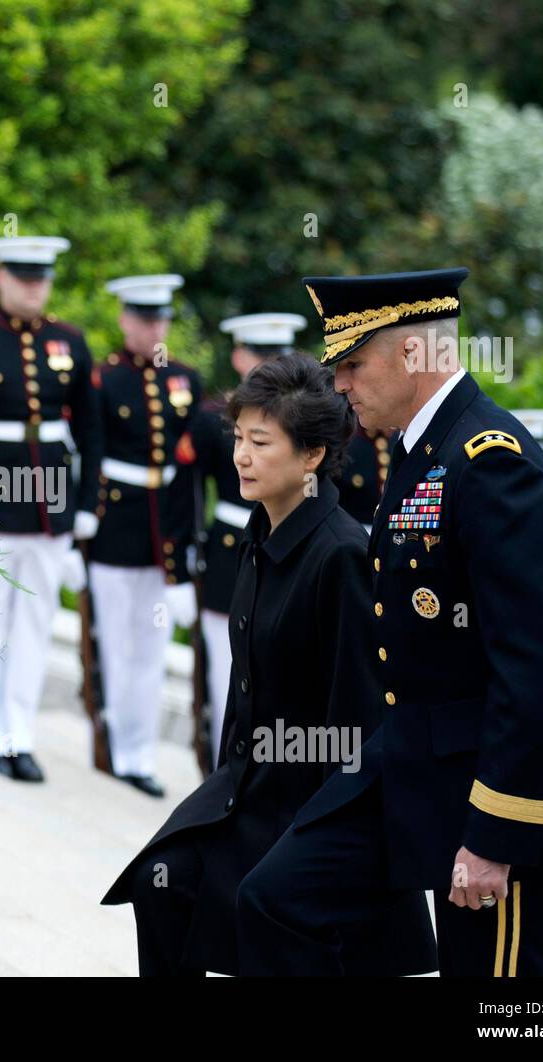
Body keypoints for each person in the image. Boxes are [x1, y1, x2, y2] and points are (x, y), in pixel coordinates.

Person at [236, 268, 543, 977]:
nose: (342, 386)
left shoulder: (490, 460)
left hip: (498, 784)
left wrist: (495, 837)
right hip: (417, 755)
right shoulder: (424, 449)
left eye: (354, 365)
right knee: (276, 894)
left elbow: (537, 668)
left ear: (415, 356)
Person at [101, 352, 435, 976]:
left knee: (263, 909)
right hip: (249, 791)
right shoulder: (262, 534)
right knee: (159, 882)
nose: (241, 457)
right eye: (238, 439)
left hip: (314, 805)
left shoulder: (339, 557)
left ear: (311, 457)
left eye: (261, 442)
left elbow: (360, 729)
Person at [0, 235, 101, 783]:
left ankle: (20, 735)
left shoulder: (69, 343)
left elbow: (91, 431)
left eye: (40, 279)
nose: (32, 288)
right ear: (1, 278)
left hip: (51, 506)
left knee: (35, 623)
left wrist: (85, 509)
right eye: (22, 278)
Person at [89, 274, 200, 797]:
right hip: (117, 526)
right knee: (115, 642)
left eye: (161, 318)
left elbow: (191, 472)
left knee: (151, 648)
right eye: (144, 317)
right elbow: (88, 454)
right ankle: (112, 744)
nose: (154, 327)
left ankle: (141, 752)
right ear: (125, 319)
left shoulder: (185, 380)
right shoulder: (104, 378)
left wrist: (187, 550)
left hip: (166, 532)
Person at [178, 312, 305, 769]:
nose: (268, 367)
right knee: (225, 674)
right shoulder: (213, 418)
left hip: (290, 546)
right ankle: (224, 774)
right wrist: (180, 565)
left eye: (277, 357)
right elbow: (185, 492)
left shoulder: (305, 422)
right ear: (238, 356)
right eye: (259, 356)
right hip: (230, 548)